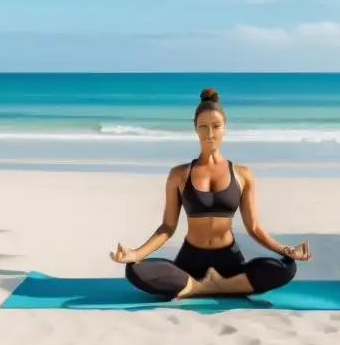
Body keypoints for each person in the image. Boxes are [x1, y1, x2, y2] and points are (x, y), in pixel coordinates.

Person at [109, 87, 312, 299]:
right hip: (191, 260)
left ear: (225, 127)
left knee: (288, 267)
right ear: (196, 129)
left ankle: (200, 287)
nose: (210, 134)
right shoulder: (179, 174)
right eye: (203, 127)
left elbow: (254, 228)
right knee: (133, 270)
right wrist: (136, 254)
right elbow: (167, 227)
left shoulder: (243, 174)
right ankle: (210, 286)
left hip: (229, 260)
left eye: (216, 126)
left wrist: (286, 250)